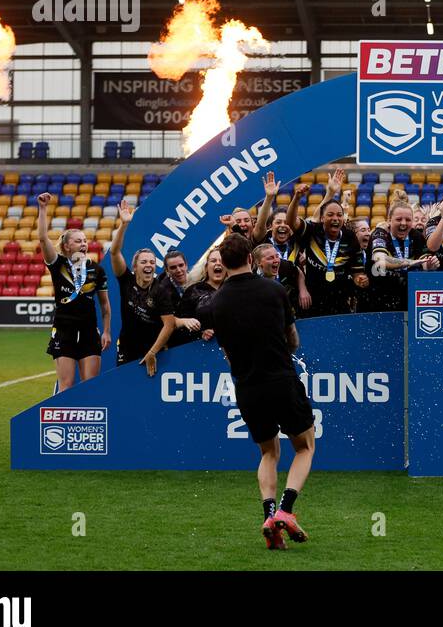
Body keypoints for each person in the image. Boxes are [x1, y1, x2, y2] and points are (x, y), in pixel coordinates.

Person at [197, 233, 316, 550]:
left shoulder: (216, 303)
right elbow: (292, 337)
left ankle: (269, 514)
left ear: (222, 263)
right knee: (305, 447)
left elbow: (226, 349)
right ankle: (287, 511)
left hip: (247, 387)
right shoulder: (274, 289)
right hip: (281, 379)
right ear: (250, 258)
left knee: (268, 452)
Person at [37, 192, 110, 391]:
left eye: (85, 240)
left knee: (90, 387)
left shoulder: (97, 269)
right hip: (64, 330)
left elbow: (105, 305)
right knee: (66, 386)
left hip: (89, 332)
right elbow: (43, 239)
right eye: (78, 241)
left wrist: (106, 331)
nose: (84, 244)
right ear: (67, 246)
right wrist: (43, 209)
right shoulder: (57, 263)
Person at [141, 249, 225, 376]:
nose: (179, 270)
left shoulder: (236, 288)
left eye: (181, 265)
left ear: (186, 265)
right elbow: (174, 326)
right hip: (199, 355)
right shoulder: (186, 291)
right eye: (213, 260)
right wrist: (200, 331)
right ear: (206, 267)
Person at [290, 173, 358, 316]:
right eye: (330, 215)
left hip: (340, 305)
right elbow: (291, 222)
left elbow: (356, 270)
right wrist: (296, 198)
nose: (336, 218)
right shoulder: (313, 231)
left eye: (339, 215)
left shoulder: (350, 237)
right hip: (312, 303)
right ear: (322, 218)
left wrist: (360, 278)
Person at [107, 199, 162, 367]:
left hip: (155, 350)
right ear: (134, 266)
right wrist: (124, 224)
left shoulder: (161, 287)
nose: (148, 265)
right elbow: (114, 252)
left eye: (152, 262)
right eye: (144, 262)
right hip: (127, 349)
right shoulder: (126, 280)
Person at [369, 201, 439, 311]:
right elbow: (380, 259)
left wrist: (430, 265)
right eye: (398, 219)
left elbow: (424, 262)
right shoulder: (380, 234)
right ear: (389, 220)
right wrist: (408, 262)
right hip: (379, 301)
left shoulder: (416, 236)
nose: (403, 223)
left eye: (408, 219)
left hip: (408, 299)